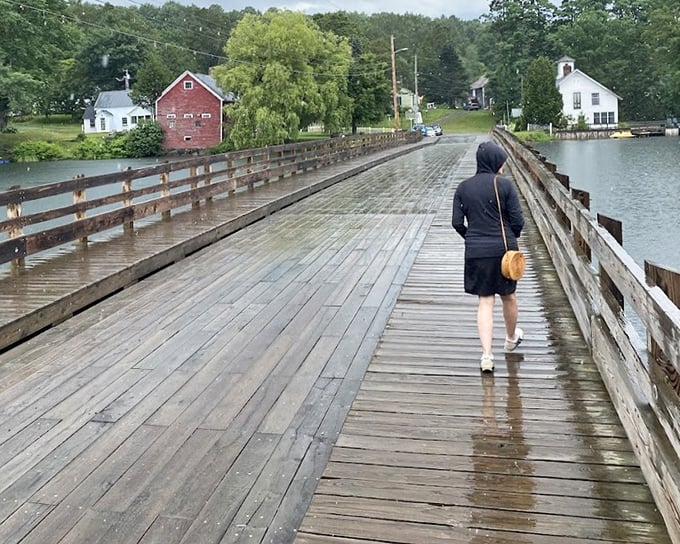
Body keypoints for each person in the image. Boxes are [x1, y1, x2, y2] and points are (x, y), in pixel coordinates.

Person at [452, 141, 524, 372]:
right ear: (494, 161)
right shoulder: (504, 186)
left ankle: (486, 356)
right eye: (501, 160)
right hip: (503, 251)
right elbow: (518, 221)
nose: (503, 164)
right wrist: (513, 237)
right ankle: (511, 338)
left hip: (476, 251)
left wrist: (471, 237)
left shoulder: (463, 187)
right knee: (508, 296)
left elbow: (456, 222)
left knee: (485, 301)